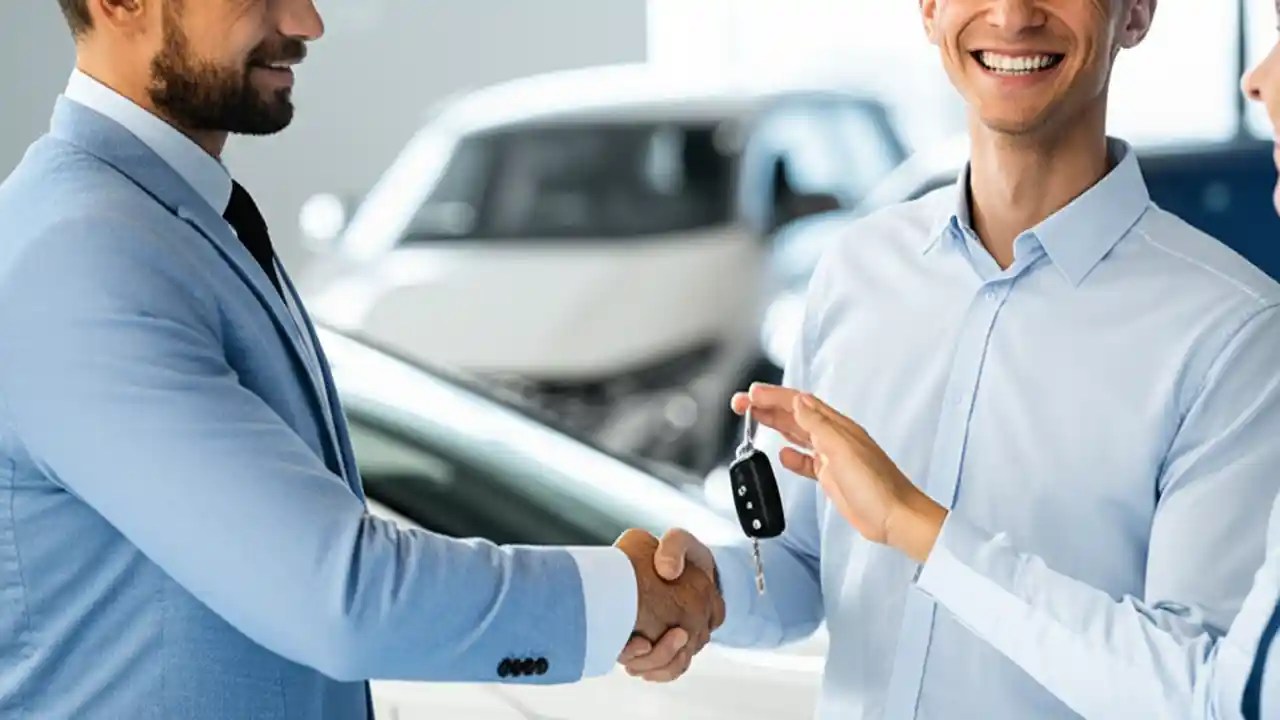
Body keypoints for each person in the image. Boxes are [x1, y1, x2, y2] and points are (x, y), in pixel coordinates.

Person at [0, 2, 722, 718]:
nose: (307, 22)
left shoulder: (167, 218)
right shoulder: (83, 253)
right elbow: (337, 597)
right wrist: (623, 595)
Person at [619, 1, 1280, 718]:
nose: (1012, 14)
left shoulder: (1232, 333)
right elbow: (810, 563)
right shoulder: (855, 270)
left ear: (1137, 13)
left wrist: (921, 527)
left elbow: (1194, 686)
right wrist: (708, 587)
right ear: (930, 9)